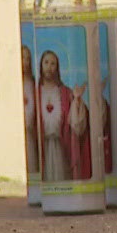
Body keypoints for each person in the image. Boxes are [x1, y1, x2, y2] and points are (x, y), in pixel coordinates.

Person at [35, 50, 92, 182]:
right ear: (41, 65)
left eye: (53, 64)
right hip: (42, 148)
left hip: (61, 148)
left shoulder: (66, 93)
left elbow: (77, 125)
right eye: (46, 62)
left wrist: (77, 101)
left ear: (57, 68)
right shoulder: (35, 92)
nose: (49, 67)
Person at [21, 46, 40, 180]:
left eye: (28, 58)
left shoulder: (33, 84)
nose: (25, 61)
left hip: (31, 133)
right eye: (23, 57)